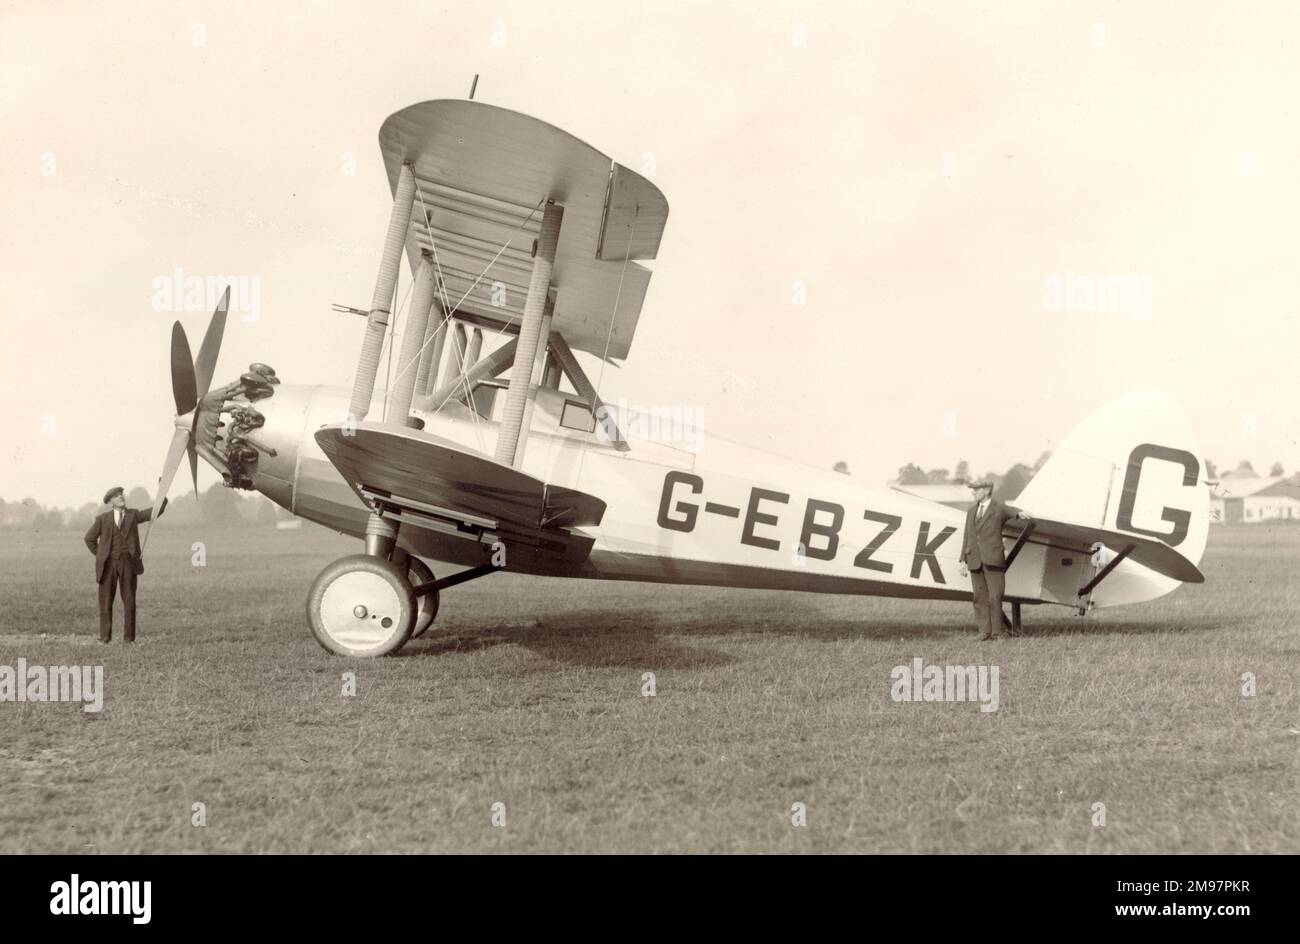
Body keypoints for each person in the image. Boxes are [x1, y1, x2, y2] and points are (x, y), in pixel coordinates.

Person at [83, 487, 167, 643]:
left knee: (129, 601)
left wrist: (163, 493)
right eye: (116, 496)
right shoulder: (102, 519)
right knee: (105, 602)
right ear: (110, 502)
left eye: (121, 494)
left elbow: (154, 512)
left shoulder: (133, 514)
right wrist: (101, 556)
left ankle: (129, 639)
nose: (120, 496)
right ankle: (104, 638)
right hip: (107, 565)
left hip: (128, 563)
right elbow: (89, 539)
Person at [958, 480, 1031, 640]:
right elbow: (967, 536)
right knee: (979, 597)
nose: (973, 492)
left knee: (995, 596)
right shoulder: (971, 511)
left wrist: (1019, 513)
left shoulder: (999, 509)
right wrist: (963, 559)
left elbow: (1013, 511)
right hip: (974, 559)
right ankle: (984, 632)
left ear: (986, 490)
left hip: (993, 559)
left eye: (976, 489)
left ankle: (998, 632)